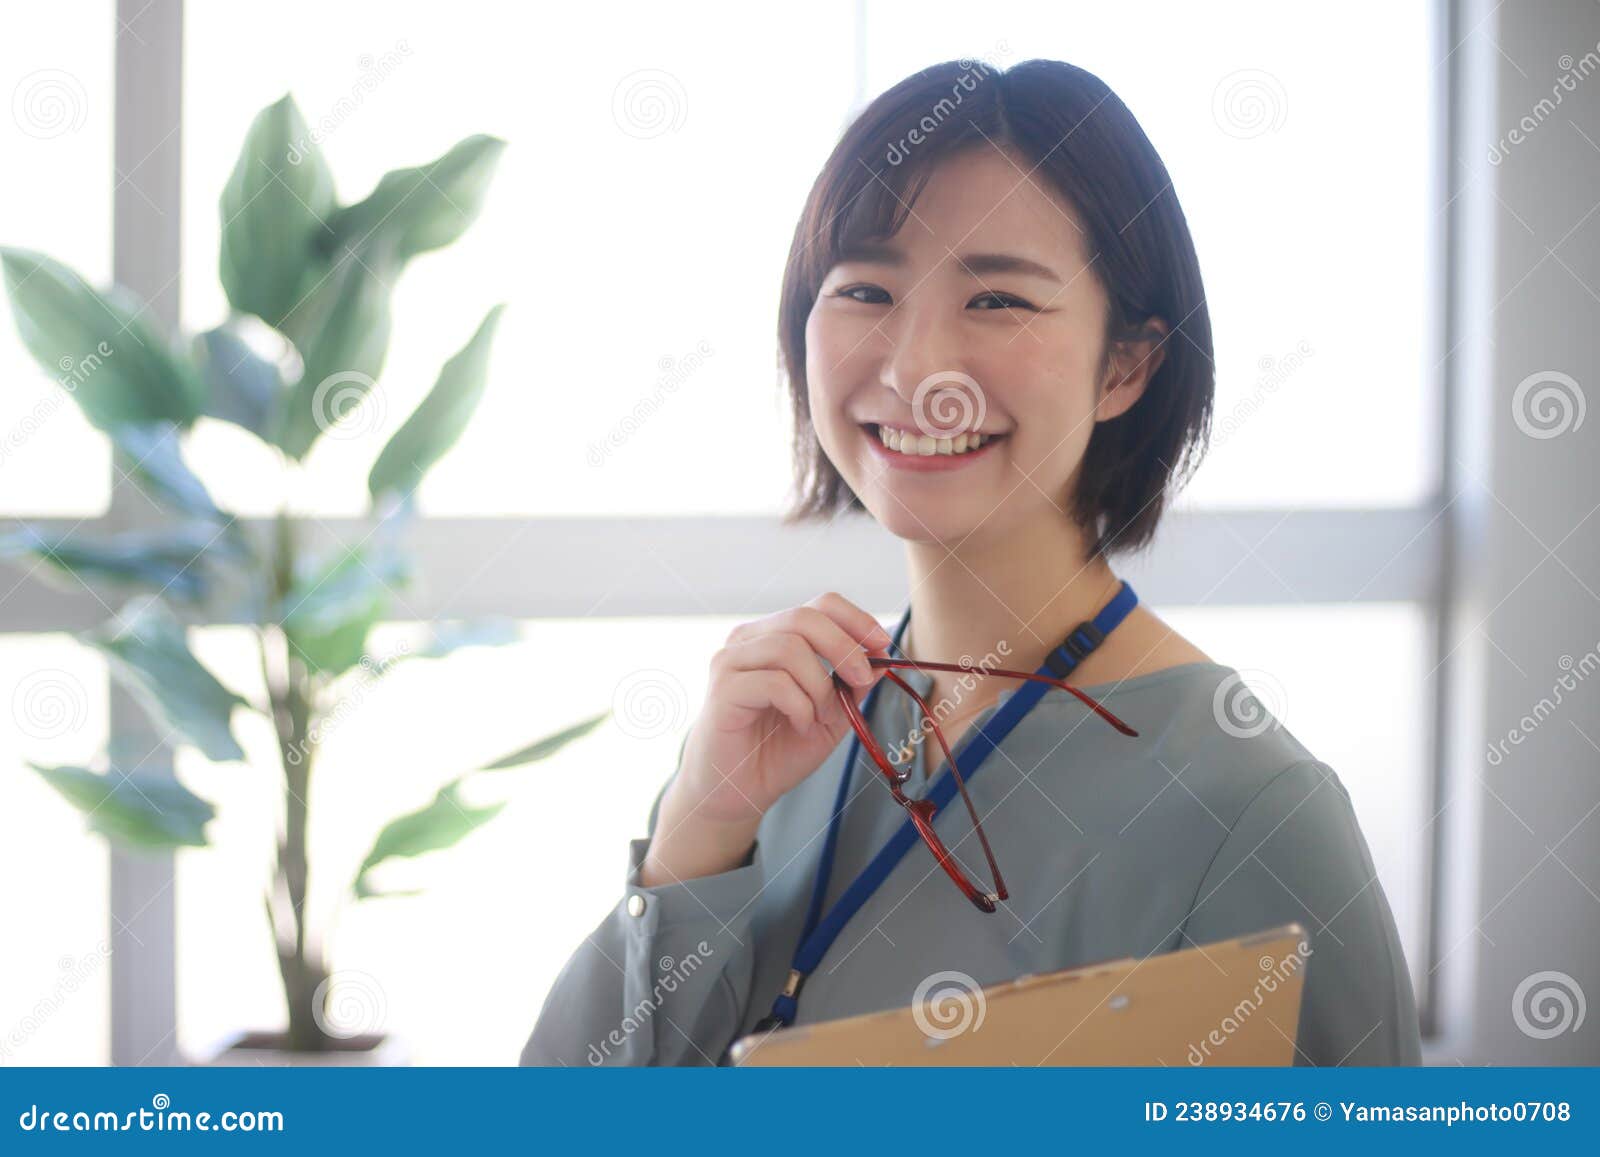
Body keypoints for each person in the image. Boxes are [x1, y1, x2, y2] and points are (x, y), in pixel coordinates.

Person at [519, 57, 1421, 1067]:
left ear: (1125, 364)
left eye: (996, 299)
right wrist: (697, 826)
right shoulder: (783, 733)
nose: (915, 371)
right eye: (865, 288)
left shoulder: (1252, 806)